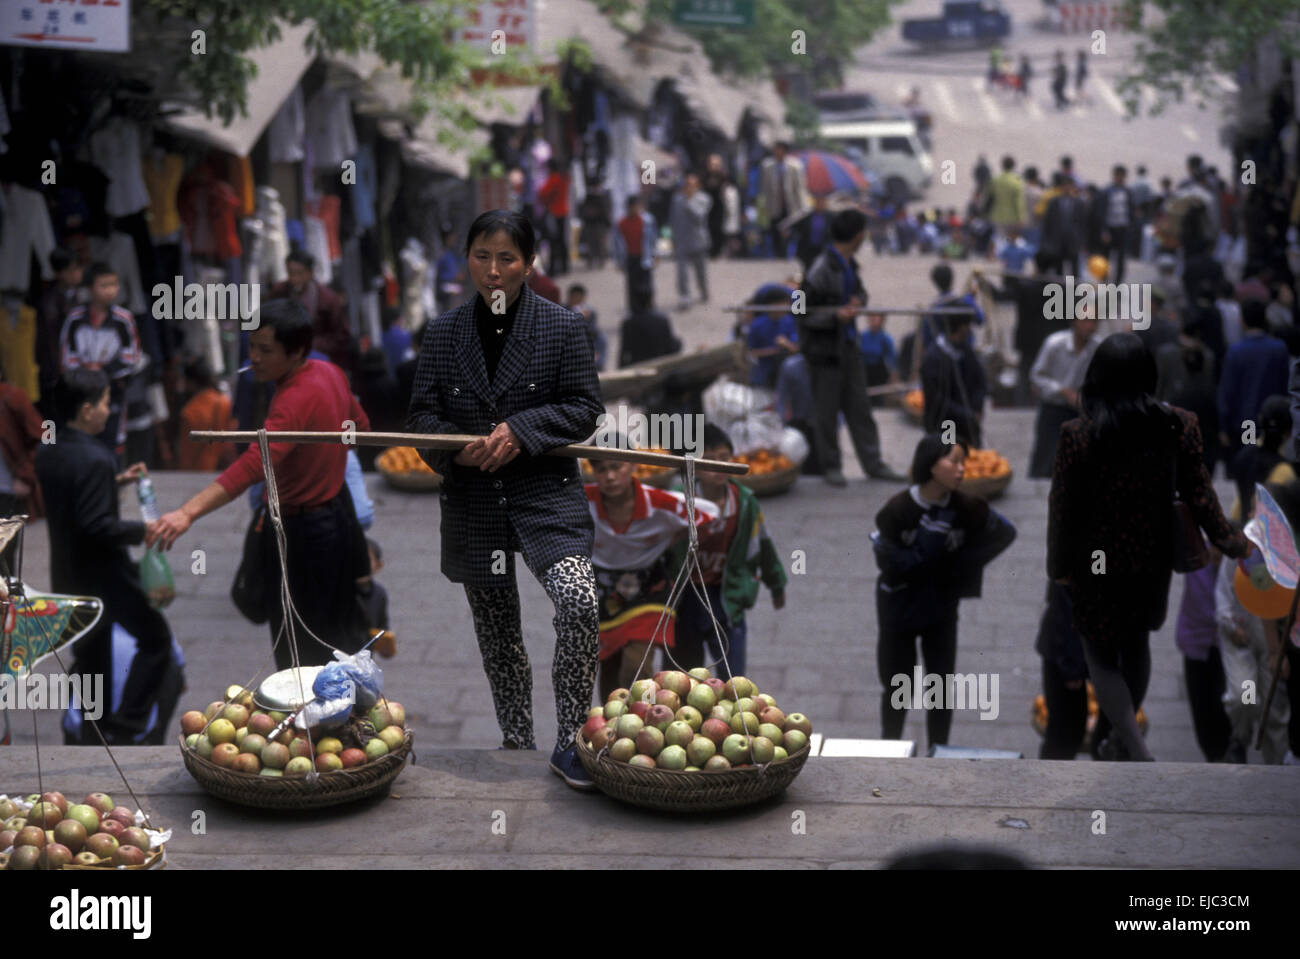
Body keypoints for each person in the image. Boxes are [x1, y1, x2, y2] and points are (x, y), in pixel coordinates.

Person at [401, 209, 604, 789]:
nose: (493, 271)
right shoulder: (442, 333)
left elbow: (585, 408)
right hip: (474, 501)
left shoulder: (562, 327)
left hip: (545, 494)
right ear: (467, 260)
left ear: (529, 264)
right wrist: (457, 451)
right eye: (482, 257)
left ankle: (571, 740)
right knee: (498, 633)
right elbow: (420, 417)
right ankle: (518, 739)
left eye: (506, 258)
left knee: (579, 601)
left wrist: (523, 430)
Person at [1048, 333, 1249, 761]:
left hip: (1094, 564)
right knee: (1135, 644)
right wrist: (1229, 541)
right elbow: (1200, 493)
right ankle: (1122, 739)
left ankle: (1135, 747)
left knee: (1099, 655)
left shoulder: (1078, 434)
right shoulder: (1179, 425)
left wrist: (1058, 566)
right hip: (1150, 559)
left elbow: (1063, 507)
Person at [148, 300, 372, 671]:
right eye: (251, 346)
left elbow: (253, 464)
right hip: (333, 520)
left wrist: (187, 512)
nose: (255, 357)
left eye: (265, 350)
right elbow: (360, 428)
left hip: (302, 534)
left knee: (298, 647)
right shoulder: (329, 373)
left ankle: (310, 721)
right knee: (331, 635)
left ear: (296, 350)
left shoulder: (294, 398)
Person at [37, 369, 178, 745]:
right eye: (103, 403)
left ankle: (92, 732)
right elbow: (95, 524)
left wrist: (117, 482)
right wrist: (142, 530)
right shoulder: (96, 458)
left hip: (68, 575)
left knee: (90, 658)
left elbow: (73, 499)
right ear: (85, 410)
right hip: (107, 574)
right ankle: (127, 726)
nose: (108, 410)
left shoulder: (50, 450)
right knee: (156, 639)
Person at [872, 435, 1017, 749]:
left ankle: (939, 751)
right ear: (930, 465)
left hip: (941, 610)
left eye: (964, 461)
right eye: (953, 460)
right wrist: (925, 553)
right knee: (898, 686)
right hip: (900, 609)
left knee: (940, 688)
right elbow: (888, 560)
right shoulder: (897, 510)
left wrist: (961, 564)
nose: (962, 468)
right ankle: (888, 751)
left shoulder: (969, 507)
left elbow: (1004, 533)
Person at [586, 443, 717, 701]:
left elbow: (708, 513)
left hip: (648, 588)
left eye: (616, 467)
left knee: (637, 664)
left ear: (633, 466)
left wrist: (665, 540)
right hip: (603, 592)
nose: (610, 476)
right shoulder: (582, 500)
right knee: (609, 664)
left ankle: (645, 721)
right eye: (601, 470)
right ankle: (611, 730)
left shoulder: (657, 501)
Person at [668, 424, 787, 677]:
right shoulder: (678, 500)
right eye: (709, 460)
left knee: (733, 679)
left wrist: (776, 584)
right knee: (681, 676)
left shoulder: (744, 503)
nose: (719, 467)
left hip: (726, 594)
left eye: (724, 459)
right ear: (694, 466)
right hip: (686, 596)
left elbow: (763, 545)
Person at [799, 208, 906, 487]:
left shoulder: (849, 264)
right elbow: (799, 309)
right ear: (859, 236)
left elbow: (860, 291)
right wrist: (834, 315)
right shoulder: (820, 269)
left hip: (848, 346)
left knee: (860, 408)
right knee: (827, 411)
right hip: (825, 353)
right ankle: (831, 465)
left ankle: (873, 463)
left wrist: (858, 300)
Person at [59, 262, 141, 457]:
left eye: (113, 285)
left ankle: (113, 483)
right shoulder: (76, 318)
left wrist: (103, 371)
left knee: (111, 439)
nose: (110, 290)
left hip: (112, 389)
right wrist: (86, 373)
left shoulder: (124, 319)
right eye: (104, 285)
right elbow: (67, 356)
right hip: (81, 391)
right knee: (81, 439)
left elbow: (132, 356)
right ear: (90, 289)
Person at [1218, 299, 1290, 471]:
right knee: (1272, 467)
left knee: (1249, 465)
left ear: (1242, 321)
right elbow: (1285, 385)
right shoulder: (1279, 348)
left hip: (1246, 422)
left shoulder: (1235, 351)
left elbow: (1227, 391)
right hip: (1274, 421)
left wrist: (1223, 426)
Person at [1028, 308, 1101, 477]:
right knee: (1046, 458)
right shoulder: (1055, 344)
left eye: (1094, 321)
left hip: (1081, 411)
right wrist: (1062, 391)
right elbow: (1036, 376)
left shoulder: (1097, 347)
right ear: (1074, 321)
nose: (1090, 326)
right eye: (1085, 320)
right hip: (1053, 409)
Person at [268, 249, 352, 374]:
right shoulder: (279, 292)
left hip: (318, 359)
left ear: (310, 273)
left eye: (299, 273)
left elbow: (342, 337)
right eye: (291, 273)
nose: (294, 279)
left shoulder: (328, 300)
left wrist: (314, 344)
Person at [1155, 316, 1219, 474]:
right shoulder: (1208, 355)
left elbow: (1159, 386)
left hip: (1171, 411)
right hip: (1198, 416)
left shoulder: (1165, 354)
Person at [921, 312, 988, 449]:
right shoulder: (934, 358)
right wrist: (964, 413)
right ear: (962, 327)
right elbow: (936, 399)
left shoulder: (965, 350)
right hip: (945, 423)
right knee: (949, 457)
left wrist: (977, 406)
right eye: (968, 325)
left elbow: (980, 381)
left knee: (973, 461)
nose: (970, 329)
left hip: (968, 423)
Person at [37, 247, 83, 416]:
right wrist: (58, 375)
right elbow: (50, 344)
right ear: (58, 273)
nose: (76, 274)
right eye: (70, 270)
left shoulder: (82, 295)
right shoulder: (49, 303)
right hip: (61, 371)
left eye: (78, 269)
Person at [175, 356, 237, 472]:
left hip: (198, 471)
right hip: (224, 471)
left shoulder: (189, 411)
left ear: (192, 382)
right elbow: (231, 442)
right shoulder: (225, 401)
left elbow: (186, 454)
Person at [669, 172, 712, 309]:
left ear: (697, 186)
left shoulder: (704, 199)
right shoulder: (677, 200)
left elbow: (699, 217)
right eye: (686, 185)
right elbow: (673, 219)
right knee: (682, 273)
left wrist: (688, 202)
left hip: (698, 242)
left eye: (691, 185)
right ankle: (684, 296)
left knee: (701, 272)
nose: (688, 187)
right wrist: (672, 237)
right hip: (682, 241)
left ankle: (704, 291)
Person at [744, 284, 799, 390]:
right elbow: (750, 352)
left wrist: (786, 344)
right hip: (763, 372)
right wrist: (773, 351)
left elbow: (796, 349)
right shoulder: (758, 324)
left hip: (785, 371)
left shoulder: (789, 321)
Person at [758, 142, 807, 258]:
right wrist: (764, 206)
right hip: (774, 205)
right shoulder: (767, 166)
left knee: (791, 231)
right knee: (775, 230)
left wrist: (802, 206)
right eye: (776, 149)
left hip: (790, 205)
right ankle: (779, 254)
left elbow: (800, 188)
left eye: (780, 149)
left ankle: (788, 253)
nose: (777, 152)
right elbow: (764, 188)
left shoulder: (795, 166)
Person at [614, 194, 656, 312]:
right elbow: (617, 244)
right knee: (632, 287)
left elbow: (653, 239)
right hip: (630, 258)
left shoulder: (647, 220)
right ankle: (634, 310)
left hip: (645, 257)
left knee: (647, 285)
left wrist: (655, 256)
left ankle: (649, 309)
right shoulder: (621, 223)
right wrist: (619, 261)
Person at [1100, 165, 1135, 283]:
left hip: (1123, 229)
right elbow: (1101, 212)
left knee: (1120, 261)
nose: (1120, 178)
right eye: (1118, 175)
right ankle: (1103, 284)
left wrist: (1130, 229)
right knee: (1105, 259)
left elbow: (1131, 211)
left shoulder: (1128, 192)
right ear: (1114, 176)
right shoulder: (1107, 191)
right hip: (1110, 229)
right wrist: (1104, 230)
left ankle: (1117, 287)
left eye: (1122, 176)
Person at [537, 158, 571, 276]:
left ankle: (552, 268)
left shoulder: (553, 179)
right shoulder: (564, 178)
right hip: (564, 211)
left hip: (554, 212)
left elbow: (542, 193)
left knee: (552, 240)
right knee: (563, 240)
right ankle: (565, 266)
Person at [566, 283, 607, 371]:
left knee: (602, 339)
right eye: (574, 297)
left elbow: (593, 330)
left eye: (579, 297)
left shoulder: (590, 311)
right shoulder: (562, 310)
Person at [988, 156, 1026, 241]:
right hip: (1012, 217)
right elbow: (1018, 202)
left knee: (1000, 240)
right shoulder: (1016, 181)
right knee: (1011, 240)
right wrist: (1021, 217)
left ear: (1002, 165)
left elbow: (990, 198)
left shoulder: (995, 180)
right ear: (1013, 166)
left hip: (997, 215)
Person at [434, 228, 469, 315]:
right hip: (444, 286)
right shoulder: (441, 254)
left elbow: (461, 272)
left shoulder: (454, 253)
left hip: (455, 284)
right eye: (450, 237)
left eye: (453, 236)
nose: (453, 239)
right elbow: (439, 277)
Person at [860, 312, 897, 390]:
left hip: (879, 375)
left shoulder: (885, 339)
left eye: (877, 317)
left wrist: (893, 378)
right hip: (864, 373)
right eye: (872, 316)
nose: (873, 319)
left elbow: (892, 360)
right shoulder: (862, 336)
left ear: (882, 320)